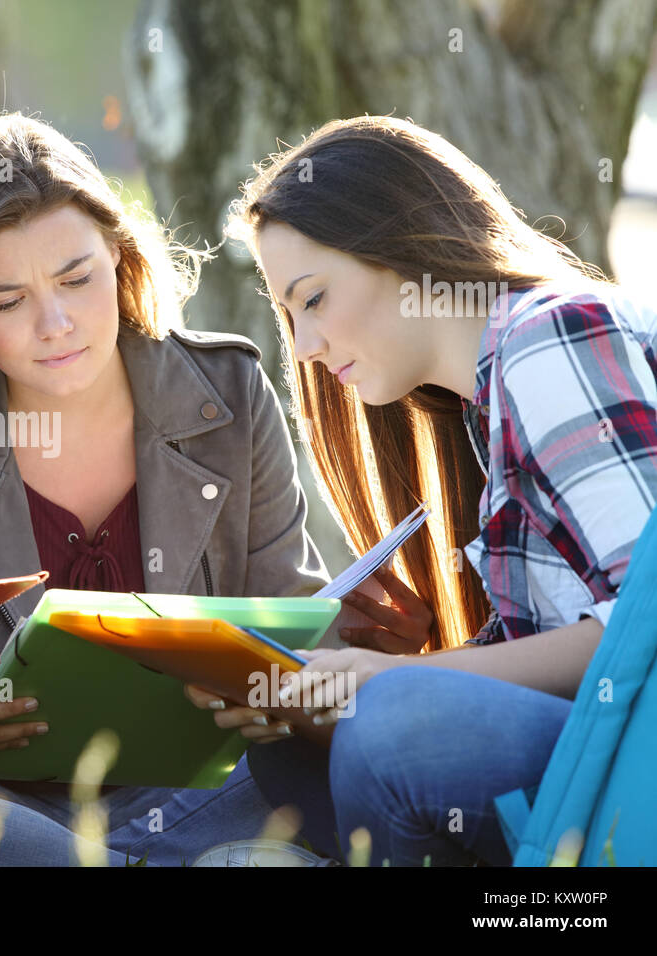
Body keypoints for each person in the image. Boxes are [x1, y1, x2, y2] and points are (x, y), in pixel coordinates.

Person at [0, 112, 381, 866]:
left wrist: (294, 679)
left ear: (119, 254)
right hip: (5, 814)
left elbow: (290, 627)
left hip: (209, 793)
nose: (56, 322)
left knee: (353, 770)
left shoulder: (228, 395)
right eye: (7, 301)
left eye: (77, 278)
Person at [200, 114, 657, 865]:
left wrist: (398, 679)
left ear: (399, 247)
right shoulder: (487, 408)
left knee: (396, 724)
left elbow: (644, 617)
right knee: (292, 750)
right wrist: (343, 682)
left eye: (312, 300)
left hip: (636, 754)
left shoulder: (548, 335)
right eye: (288, 317)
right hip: (600, 746)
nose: (306, 349)